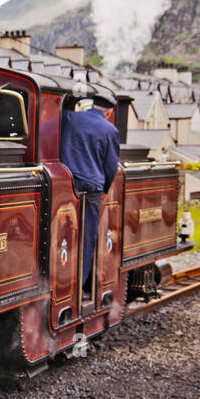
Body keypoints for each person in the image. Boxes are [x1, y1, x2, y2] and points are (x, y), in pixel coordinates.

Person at [59, 90, 121, 289]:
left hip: (65, 181)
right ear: (109, 112)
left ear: (91, 105)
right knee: (87, 237)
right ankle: (81, 283)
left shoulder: (70, 118)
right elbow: (110, 165)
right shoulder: (110, 130)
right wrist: (104, 187)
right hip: (91, 187)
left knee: (62, 232)